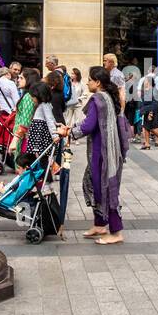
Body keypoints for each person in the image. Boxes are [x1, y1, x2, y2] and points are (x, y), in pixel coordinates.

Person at [60, 66, 129, 244]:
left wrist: (69, 133)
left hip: (103, 152)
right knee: (93, 183)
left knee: (105, 188)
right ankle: (100, 224)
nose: (87, 82)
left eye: (90, 79)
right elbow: (91, 122)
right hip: (105, 150)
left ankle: (116, 232)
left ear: (97, 82)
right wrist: (72, 128)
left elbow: (88, 126)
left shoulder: (98, 98)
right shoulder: (106, 97)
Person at [137, 64, 158, 150]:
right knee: (146, 126)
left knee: (152, 128)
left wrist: (150, 113)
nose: (144, 82)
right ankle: (147, 144)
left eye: (146, 81)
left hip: (151, 110)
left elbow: (153, 103)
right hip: (147, 110)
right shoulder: (147, 89)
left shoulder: (151, 91)